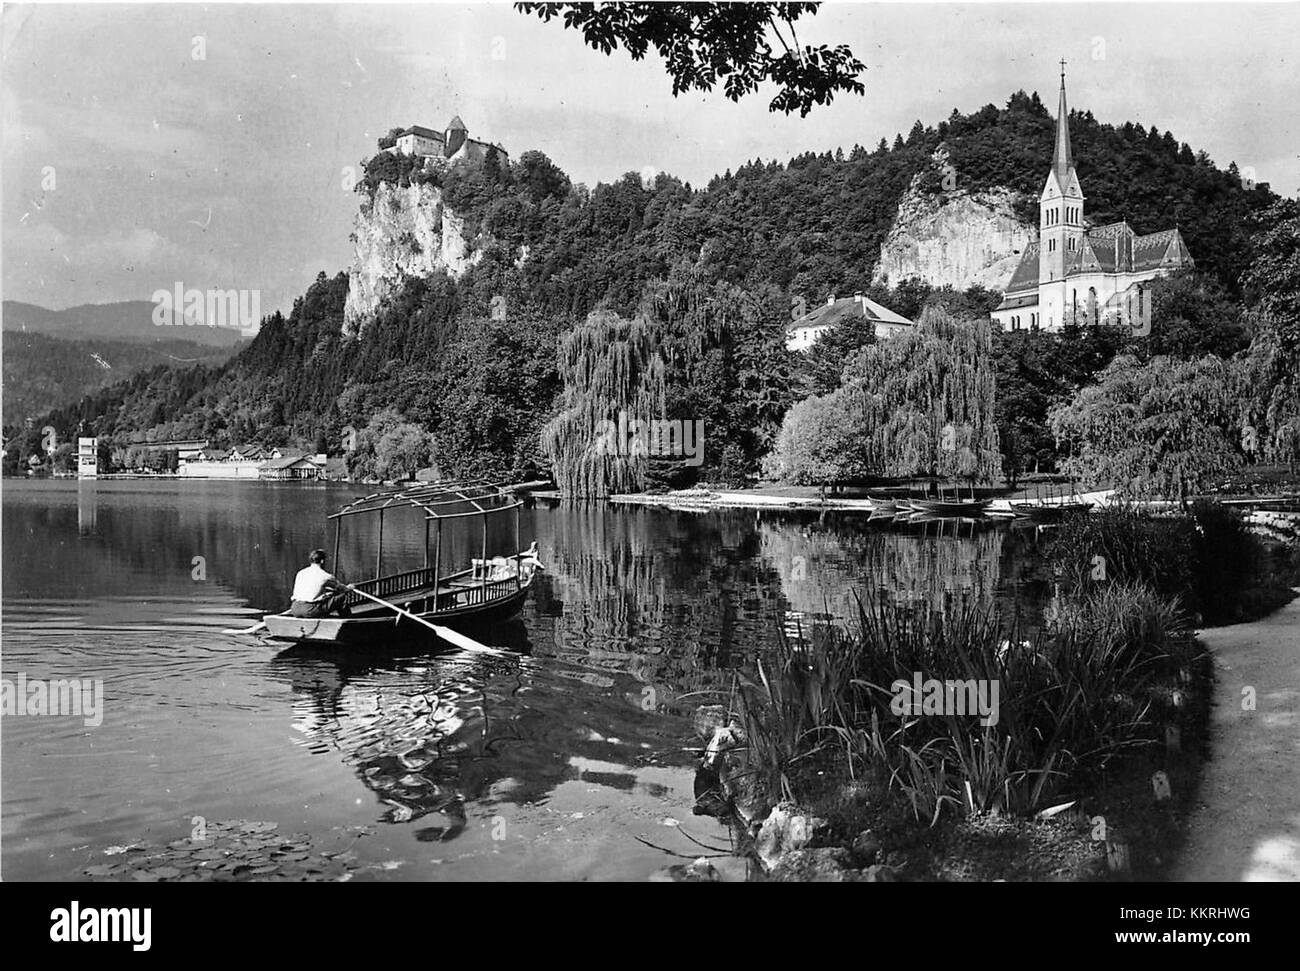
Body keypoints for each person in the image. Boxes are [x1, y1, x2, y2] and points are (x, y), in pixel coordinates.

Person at [289, 549, 352, 617]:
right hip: (310, 610)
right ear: (322, 561)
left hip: (295, 608)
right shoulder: (325, 576)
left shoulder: (300, 573)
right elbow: (342, 589)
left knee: (328, 597)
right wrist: (349, 588)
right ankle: (348, 621)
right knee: (342, 597)